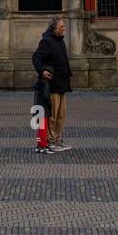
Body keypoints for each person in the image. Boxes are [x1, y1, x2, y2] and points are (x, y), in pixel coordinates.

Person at [32, 18, 72, 153]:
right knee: (52, 115)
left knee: (62, 114)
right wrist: (42, 71)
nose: (64, 28)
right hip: (52, 84)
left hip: (63, 84)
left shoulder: (61, 41)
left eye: (64, 26)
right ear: (54, 28)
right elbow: (36, 57)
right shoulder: (47, 41)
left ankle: (57, 140)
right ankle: (49, 141)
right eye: (61, 27)